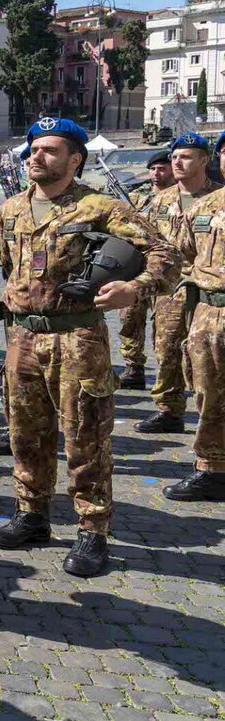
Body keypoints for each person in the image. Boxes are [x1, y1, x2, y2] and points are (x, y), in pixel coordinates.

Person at [0, 117, 178, 578]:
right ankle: (32, 515)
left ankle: (92, 530)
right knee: (25, 432)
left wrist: (136, 288)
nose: (37, 156)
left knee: (86, 436)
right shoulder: (11, 209)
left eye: (50, 150)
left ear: (75, 159)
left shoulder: (98, 207)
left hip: (78, 336)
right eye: (33, 148)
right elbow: (8, 265)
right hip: (22, 338)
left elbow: (166, 255)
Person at [132, 133, 220, 434]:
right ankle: (169, 409)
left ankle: (208, 412)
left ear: (204, 160)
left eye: (186, 156)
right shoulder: (160, 201)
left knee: (204, 354)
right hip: (169, 289)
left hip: (205, 291)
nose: (177, 162)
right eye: (174, 157)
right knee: (166, 346)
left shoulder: (217, 198)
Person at [164, 131, 225, 502]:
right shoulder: (206, 206)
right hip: (210, 311)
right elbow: (179, 253)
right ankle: (212, 469)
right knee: (208, 392)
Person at [118, 149, 177, 386]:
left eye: (162, 168)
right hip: (138, 268)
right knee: (129, 319)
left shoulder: (181, 198)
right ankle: (134, 367)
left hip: (168, 271)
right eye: (152, 169)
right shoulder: (138, 199)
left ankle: (170, 377)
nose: (156, 173)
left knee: (166, 326)